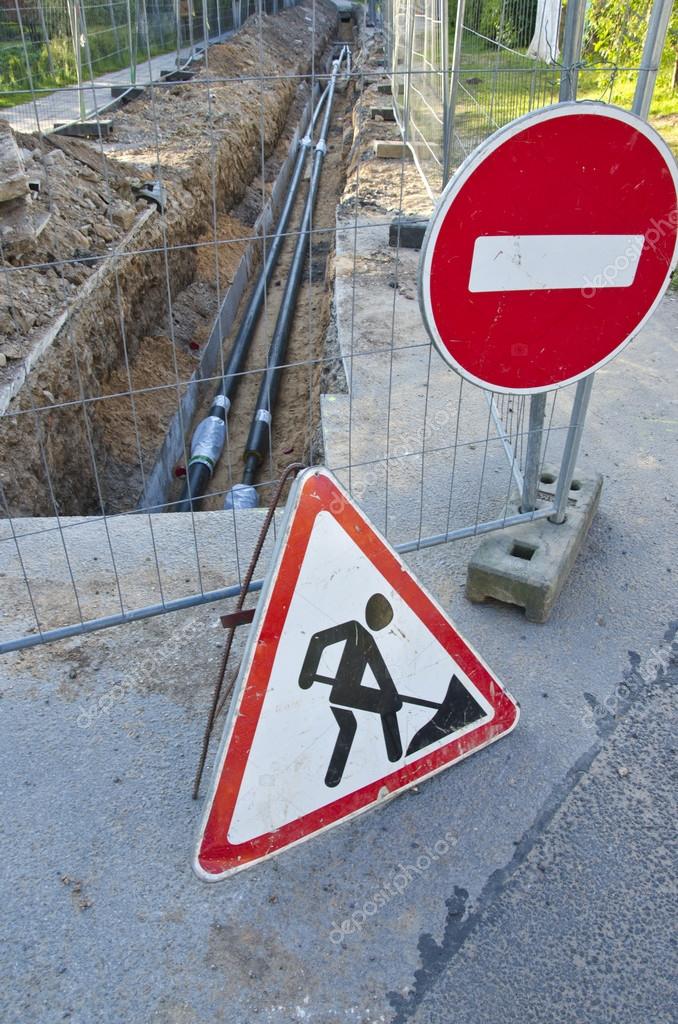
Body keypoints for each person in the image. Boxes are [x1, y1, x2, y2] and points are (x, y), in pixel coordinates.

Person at [298, 593, 403, 787]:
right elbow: (318, 639)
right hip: (344, 692)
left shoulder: (361, 634)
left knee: (352, 724)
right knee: (352, 724)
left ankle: (394, 756)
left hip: (345, 692)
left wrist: (306, 675)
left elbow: (381, 674)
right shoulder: (357, 631)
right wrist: (307, 673)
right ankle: (393, 755)